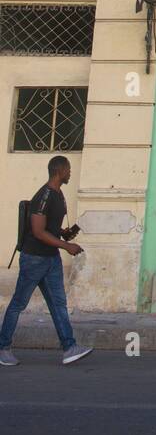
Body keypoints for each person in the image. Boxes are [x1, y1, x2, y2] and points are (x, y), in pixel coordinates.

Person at [0, 156, 93, 367]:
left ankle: (69, 348)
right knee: (18, 303)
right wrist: (66, 246)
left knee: (58, 304)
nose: (70, 172)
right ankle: (3, 347)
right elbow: (38, 232)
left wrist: (63, 233)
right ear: (60, 171)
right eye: (68, 169)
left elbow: (49, 227)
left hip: (51, 259)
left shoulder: (59, 195)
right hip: (34, 259)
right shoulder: (43, 196)